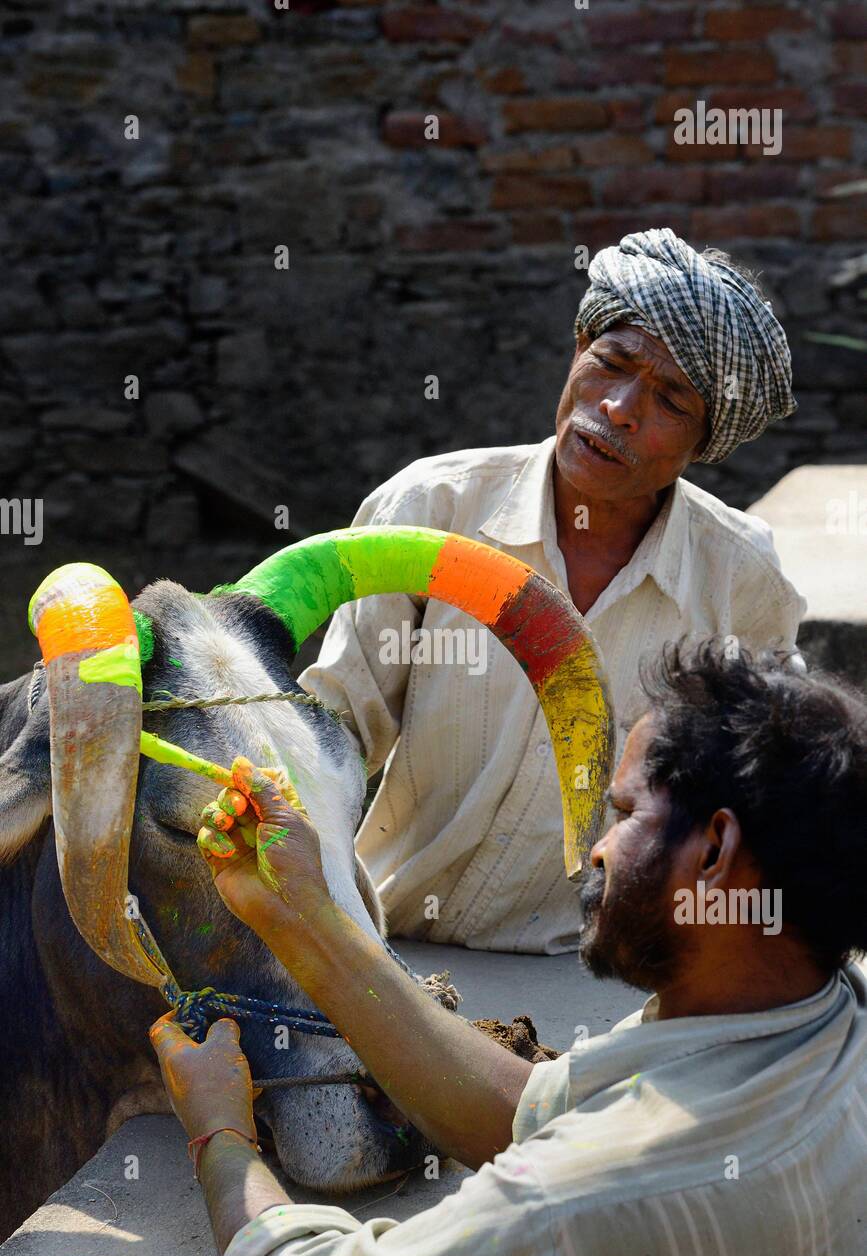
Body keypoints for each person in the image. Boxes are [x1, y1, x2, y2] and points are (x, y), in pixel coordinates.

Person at [150, 640, 867, 1256]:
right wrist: (300, 915)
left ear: (713, 853)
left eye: (625, 816)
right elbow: (526, 1110)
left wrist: (221, 1136)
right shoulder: (832, 1017)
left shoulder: (579, 1200)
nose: (598, 850)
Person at [297, 227, 807, 954]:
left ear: (705, 442)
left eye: (670, 400)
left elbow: (751, 804)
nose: (619, 409)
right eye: (611, 363)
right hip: (390, 945)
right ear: (577, 349)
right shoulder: (433, 510)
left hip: (596, 974)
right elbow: (336, 725)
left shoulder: (742, 580)